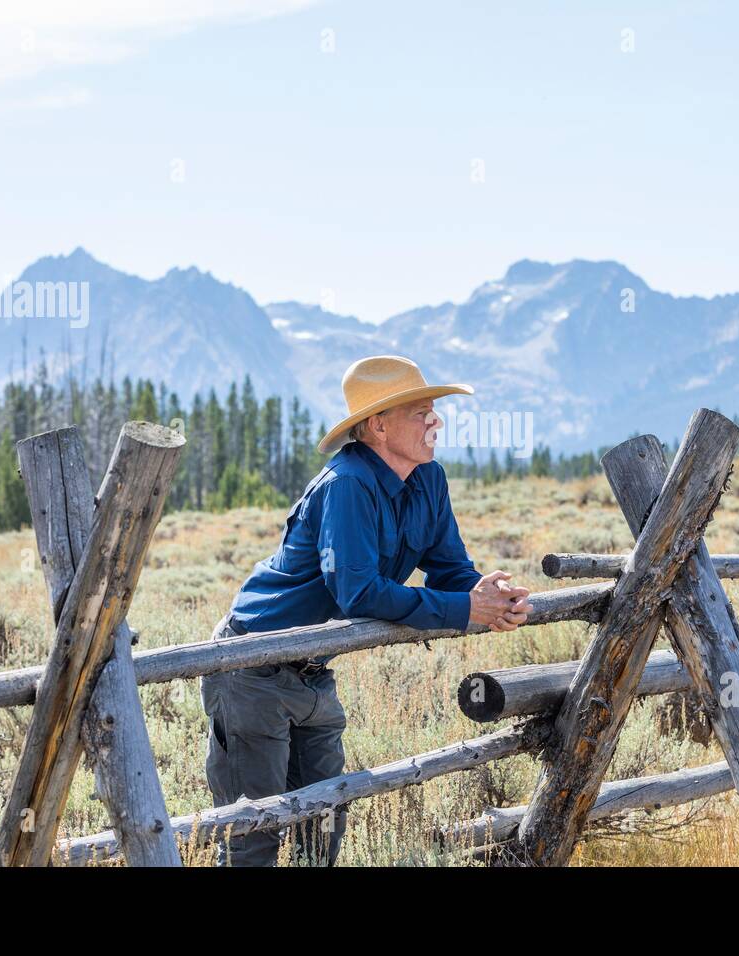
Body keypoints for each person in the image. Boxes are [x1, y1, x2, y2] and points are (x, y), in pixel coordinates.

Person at [200, 354, 532, 866]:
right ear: (378, 425)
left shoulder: (429, 480)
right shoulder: (347, 484)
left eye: (432, 410)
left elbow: (449, 570)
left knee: (323, 827)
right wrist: (466, 608)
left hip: (312, 670)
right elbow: (357, 592)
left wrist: (490, 596)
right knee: (254, 838)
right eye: (421, 412)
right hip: (252, 668)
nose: (435, 421)